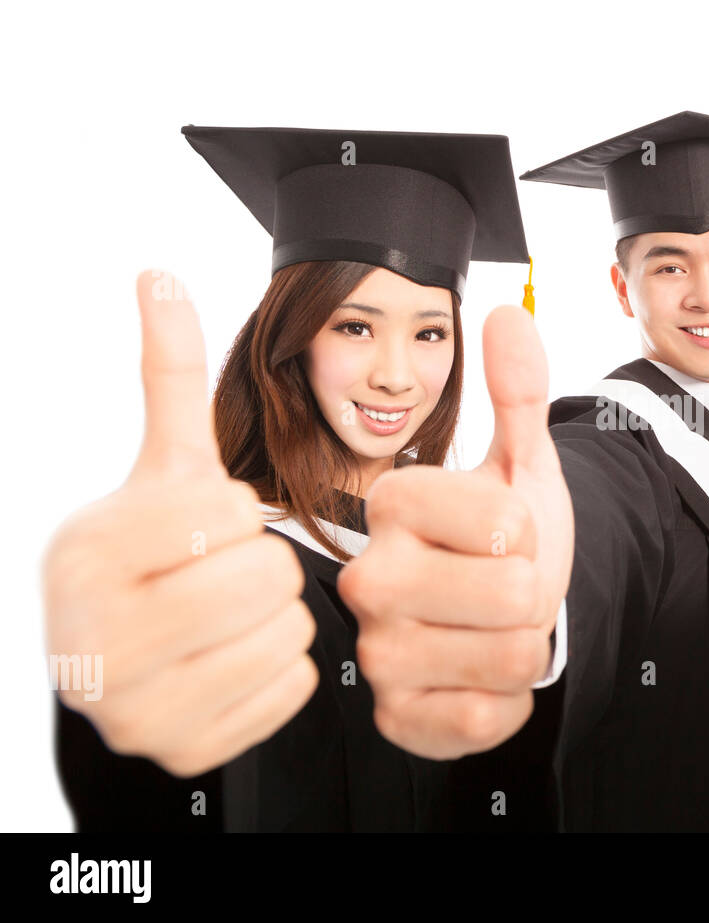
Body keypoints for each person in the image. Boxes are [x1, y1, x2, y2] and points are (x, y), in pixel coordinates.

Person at [341, 111, 709, 831]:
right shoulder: (613, 442)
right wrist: (527, 597)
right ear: (619, 285)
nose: (707, 293)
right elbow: (584, 522)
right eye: (669, 265)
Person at [46, 125, 546, 831]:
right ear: (293, 339)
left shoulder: (463, 575)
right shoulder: (239, 567)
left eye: (430, 332)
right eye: (355, 326)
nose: (397, 376)